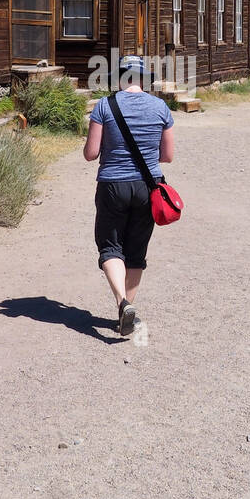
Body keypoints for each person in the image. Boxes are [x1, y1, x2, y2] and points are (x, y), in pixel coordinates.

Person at [82, 55, 175, 336]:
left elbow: (90, 154)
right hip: (148, 187)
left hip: (112, 185)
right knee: (136, 252)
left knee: (110, 247)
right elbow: (167, 156)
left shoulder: (104, 105)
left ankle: (123, 303)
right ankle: (126, 309)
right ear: (144, 79)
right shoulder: (160, 107)